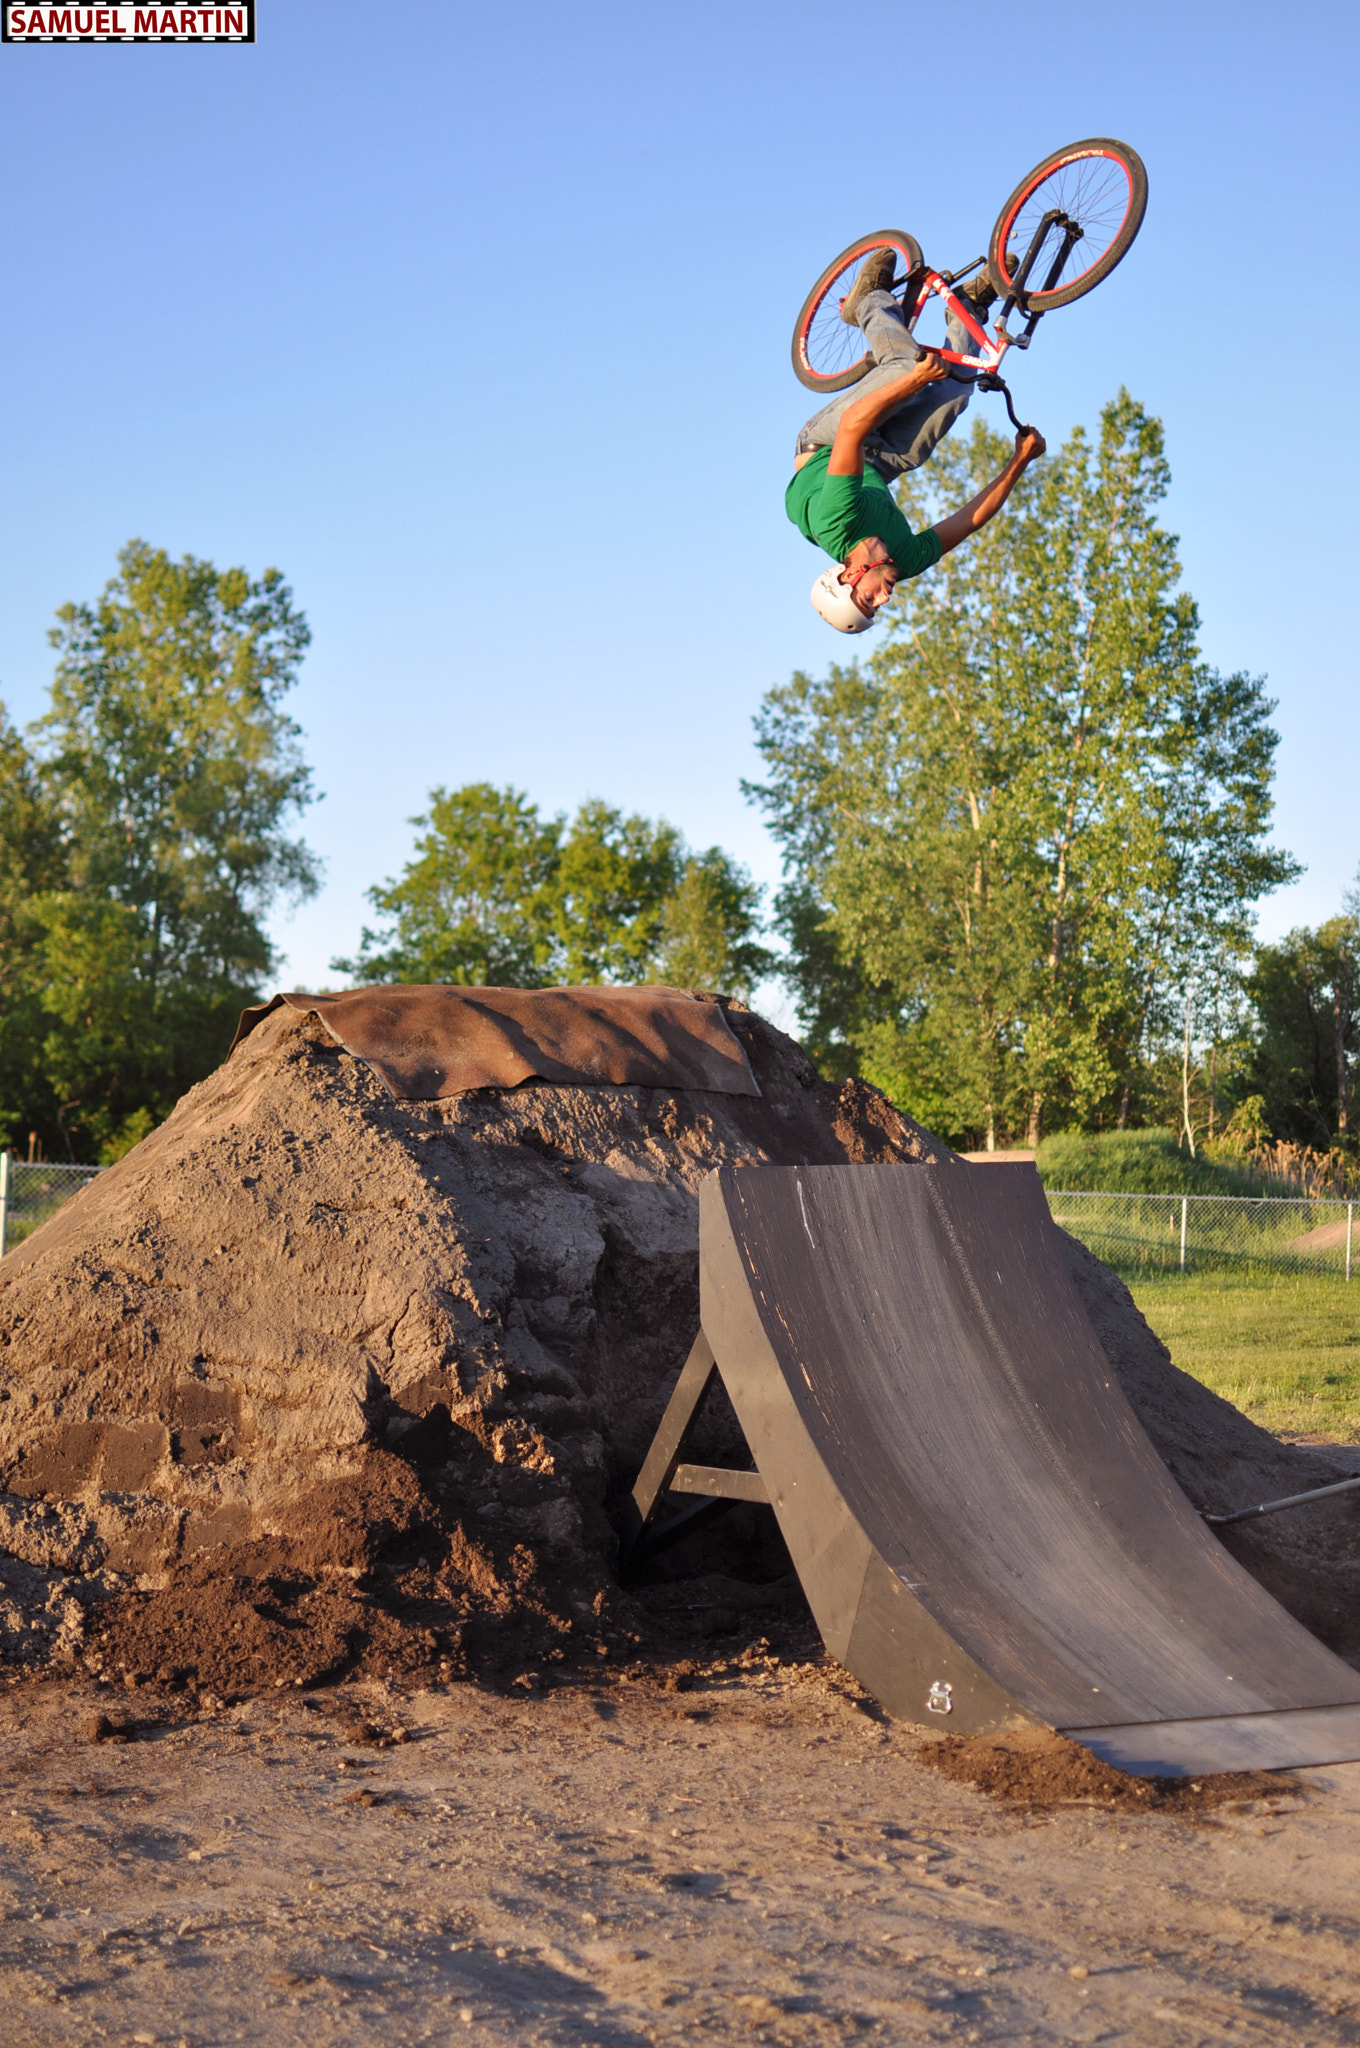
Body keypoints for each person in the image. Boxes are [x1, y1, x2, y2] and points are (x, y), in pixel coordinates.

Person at [787, 248, 1046, 632]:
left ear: (848, 577)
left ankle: (867, 301)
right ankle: (968, 308)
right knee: (952, 394)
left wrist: (914, 379)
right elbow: (968, 521)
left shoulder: (836, 522)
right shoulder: (904, 560)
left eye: (868, 599)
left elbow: (853, 427)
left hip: (826, 444)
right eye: (877, 608)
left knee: (907, 366)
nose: (885, 598)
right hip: (880, 462)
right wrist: (1019, 462)